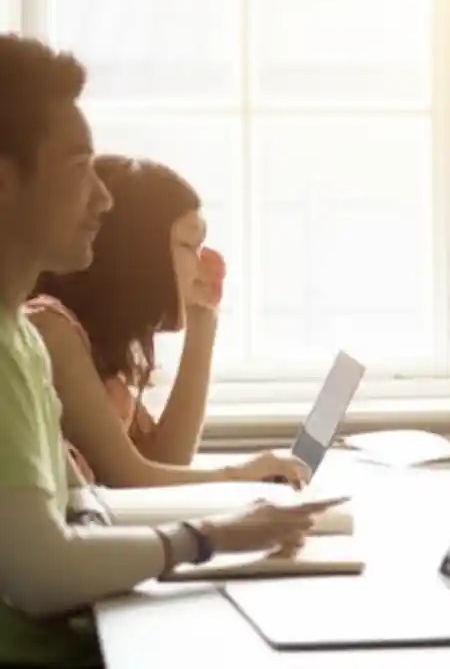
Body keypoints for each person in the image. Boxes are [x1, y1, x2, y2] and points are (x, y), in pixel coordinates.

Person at [0, 34, 338, 667]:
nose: (102, 198)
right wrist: (211, 536)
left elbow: (91, 508)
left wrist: (239, 524)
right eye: (79, 170)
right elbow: (38, 571)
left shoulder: (20, 339)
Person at [27, 154, 308, 488]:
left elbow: (164, 459)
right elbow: (128, 476)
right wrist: (240, 476)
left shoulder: (97, 351)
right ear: (139, 255)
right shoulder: (52, 331)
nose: (202, 262)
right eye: (190, 245)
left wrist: (203, 324)